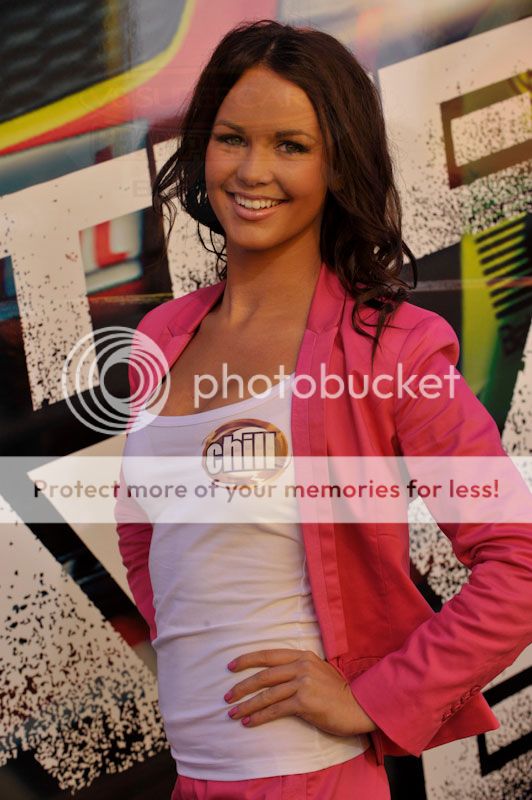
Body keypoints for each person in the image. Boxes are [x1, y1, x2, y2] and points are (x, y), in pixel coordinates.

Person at [114, 19, 532, 800]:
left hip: (309, 782)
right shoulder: (162, 336)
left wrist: (371, 699)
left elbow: (520, 562)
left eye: (292, 146)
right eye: (233, 138)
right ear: (203, 146)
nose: (253, 170)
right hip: (192, 781)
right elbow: (146, 536)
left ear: (338, 163)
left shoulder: (391, 346)